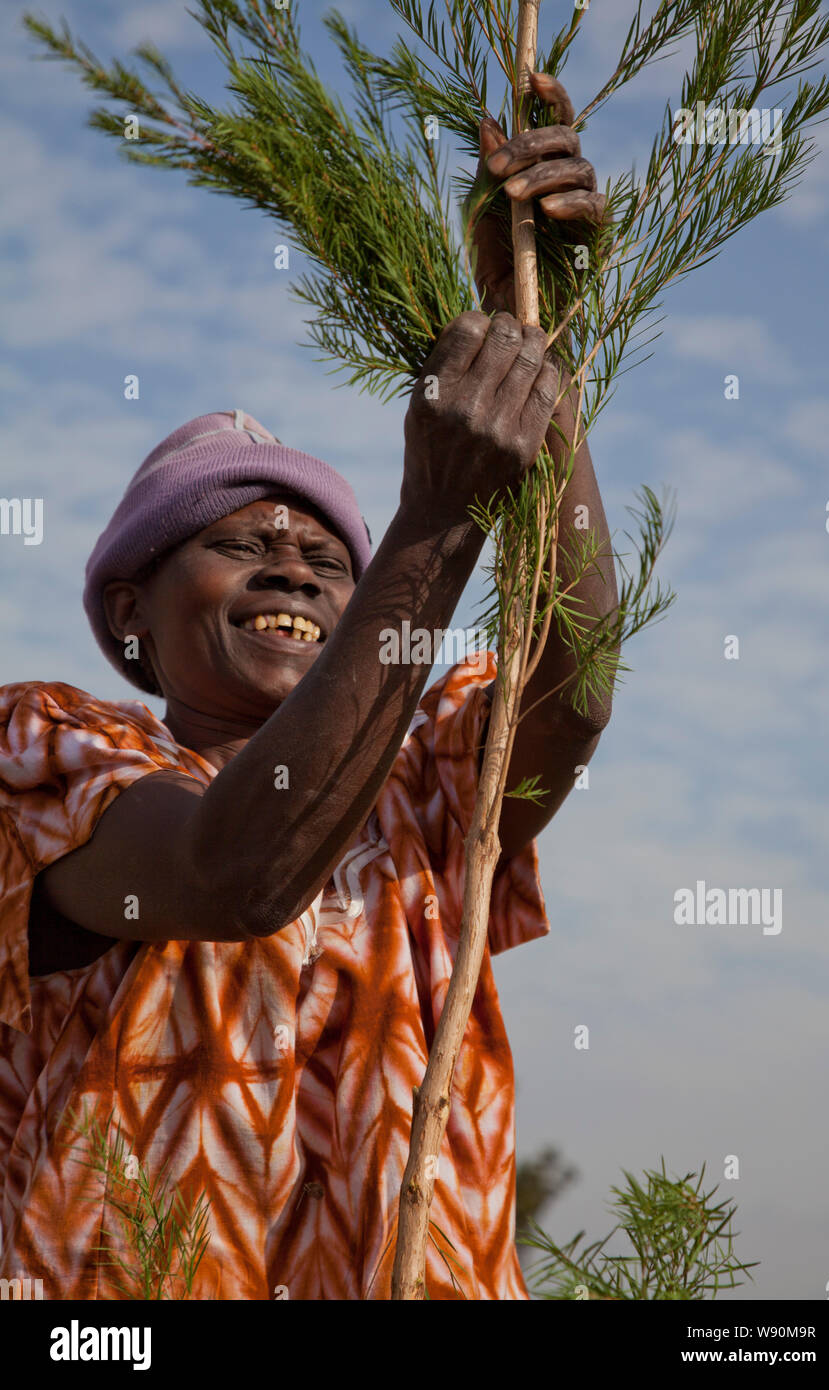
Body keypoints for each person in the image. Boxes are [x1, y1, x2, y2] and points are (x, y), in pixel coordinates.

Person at [0, 73, 617, 1299]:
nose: (293, 558)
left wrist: (532, 355)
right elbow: (235, 873)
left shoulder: (425, 775)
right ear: (130, 610)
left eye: (332, 558)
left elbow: (576, 683)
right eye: (239, 540)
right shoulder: (44, 754)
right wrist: (435, 523)